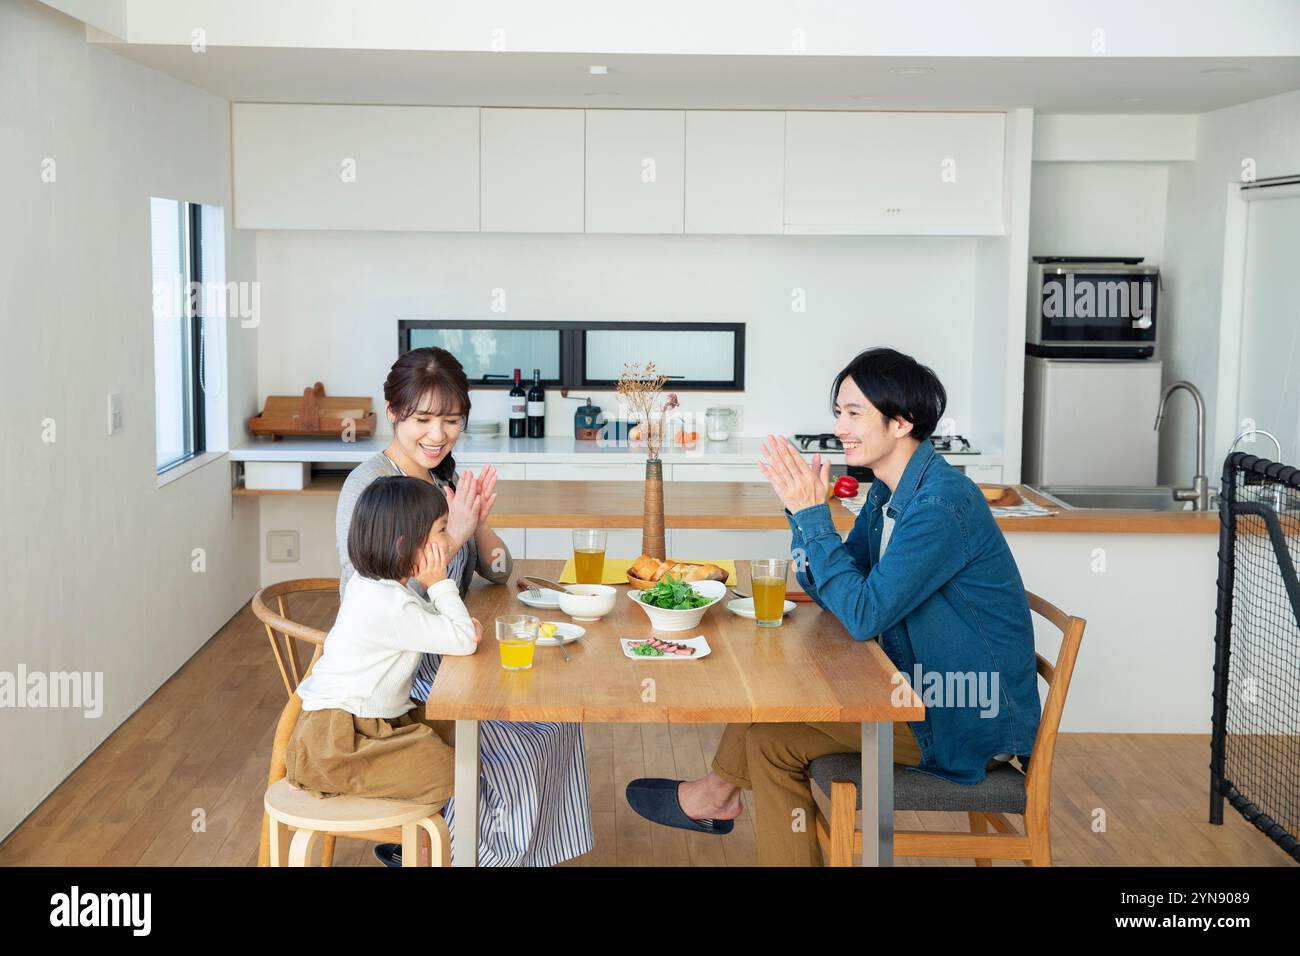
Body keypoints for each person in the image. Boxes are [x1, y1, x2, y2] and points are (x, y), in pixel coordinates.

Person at [626, 347, 1041, 866]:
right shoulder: (888, 494)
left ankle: (714, 797)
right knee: (771, 710)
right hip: (915, 689)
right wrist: (804, 515)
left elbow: (864, 614)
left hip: (961, 714)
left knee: (773, 744)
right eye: (838, 412)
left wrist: (814, 517)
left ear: (901, 422)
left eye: (853, 413)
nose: (839, 427)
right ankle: (715, 796)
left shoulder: (940, 505)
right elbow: (830, 588)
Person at [338, 346, 592, 867]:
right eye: (423, 419)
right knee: (523, 744)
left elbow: (499, 570)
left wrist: (475, 520)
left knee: (560, 716)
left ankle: (477, 850)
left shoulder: (443, 478)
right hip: (401, 672)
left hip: (457, 653)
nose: (437, 435)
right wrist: (451, 537)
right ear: (393, 412)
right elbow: (372, 602)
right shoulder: (370, 488)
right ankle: (468, 852)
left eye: (451, 421)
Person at [285, 476, 480, 809]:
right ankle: (322, 775)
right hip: (340, 737)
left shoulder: (378, 587)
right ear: (408, 545)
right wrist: (439, 582)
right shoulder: (390, 604)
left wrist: (455, 624)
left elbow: (450, 629)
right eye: (442, 531)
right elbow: (463, 638)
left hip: (370, 720)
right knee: (454, 769)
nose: (448, 541)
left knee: (458, 735)